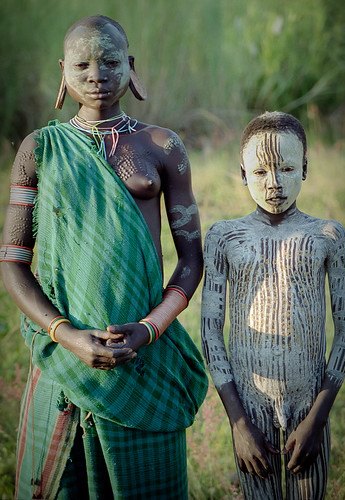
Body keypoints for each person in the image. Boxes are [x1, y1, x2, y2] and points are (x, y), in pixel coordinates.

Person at [0, 15, 208, 499]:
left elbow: (191, 260)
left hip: (145, 354)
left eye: (110, 61)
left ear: (130, 66)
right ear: (63, 71)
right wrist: (67, 335)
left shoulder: (162, 146)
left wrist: (149, 328)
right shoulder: (39, 150)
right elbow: (12, 262)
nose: (97, 74)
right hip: (64, 360)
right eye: (83, 63)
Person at [201, 111, 345, 499]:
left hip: (310, 405)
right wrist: (238, 423)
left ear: (305, 169)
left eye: (286, 168)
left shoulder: (327, 235)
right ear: (242, 173)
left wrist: (318, 418)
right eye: (260, 172)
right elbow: (209, 332)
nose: (274, 184)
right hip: (250, 409)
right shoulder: (224, 237)